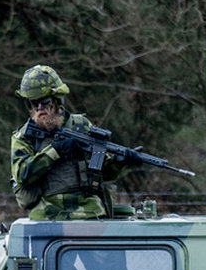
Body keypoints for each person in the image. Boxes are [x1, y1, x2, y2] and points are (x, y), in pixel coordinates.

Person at [9, 64, 137, 220]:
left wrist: (119, 162)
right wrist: (55, 151)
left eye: (45, 101)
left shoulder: (81, 126)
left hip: (90, 215)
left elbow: (102, 172)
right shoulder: (23, 138)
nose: (40, 108)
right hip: (47, 219)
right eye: (34, 103)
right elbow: (22, 174)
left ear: (58, 100)